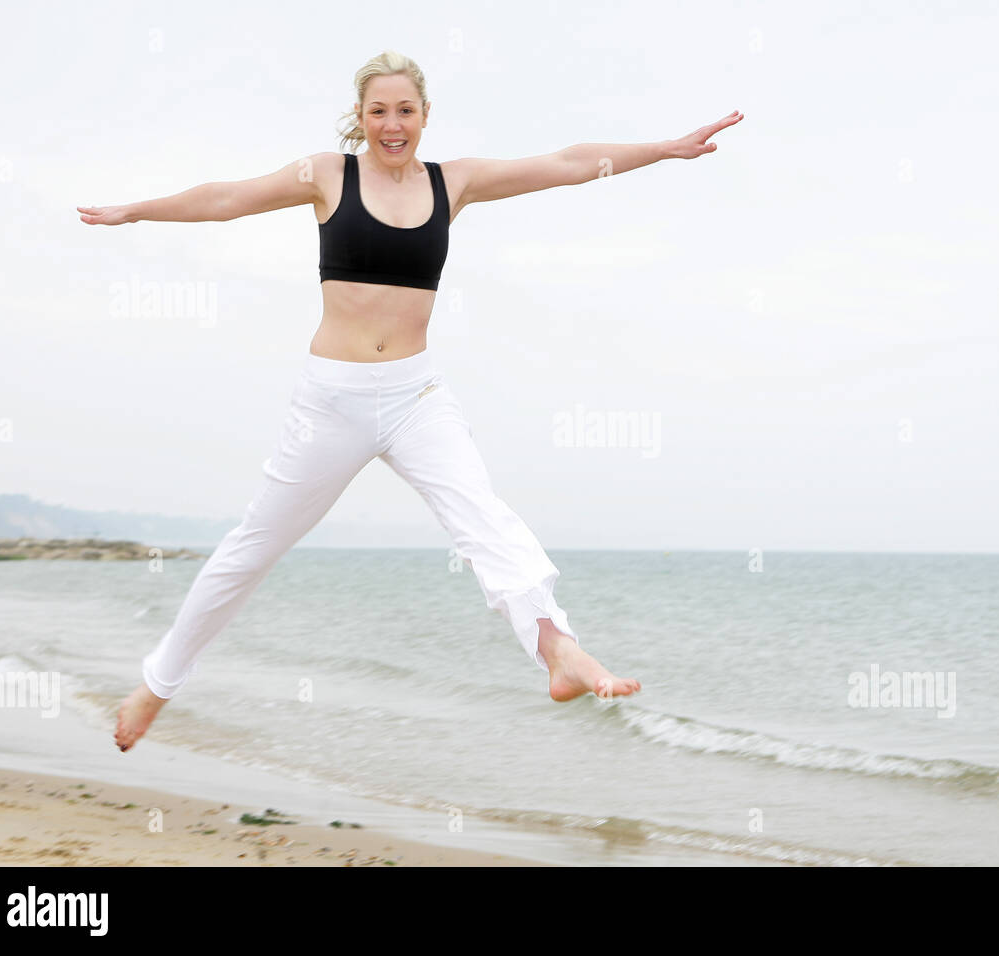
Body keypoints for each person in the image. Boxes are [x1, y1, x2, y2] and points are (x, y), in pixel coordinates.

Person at [79, 49, 743, 753]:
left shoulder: (454, 182)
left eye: (405, 111)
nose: (392, 125)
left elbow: (568, 162)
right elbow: (223, 199)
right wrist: (137, 213)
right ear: (359, 116)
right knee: (251, 550)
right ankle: (156, 687)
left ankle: (558, 650)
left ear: (425, 116)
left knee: (483, 515)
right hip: (330, 402)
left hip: (414, 394)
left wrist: (663, 150)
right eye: (378, 111)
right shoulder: (326, 174)